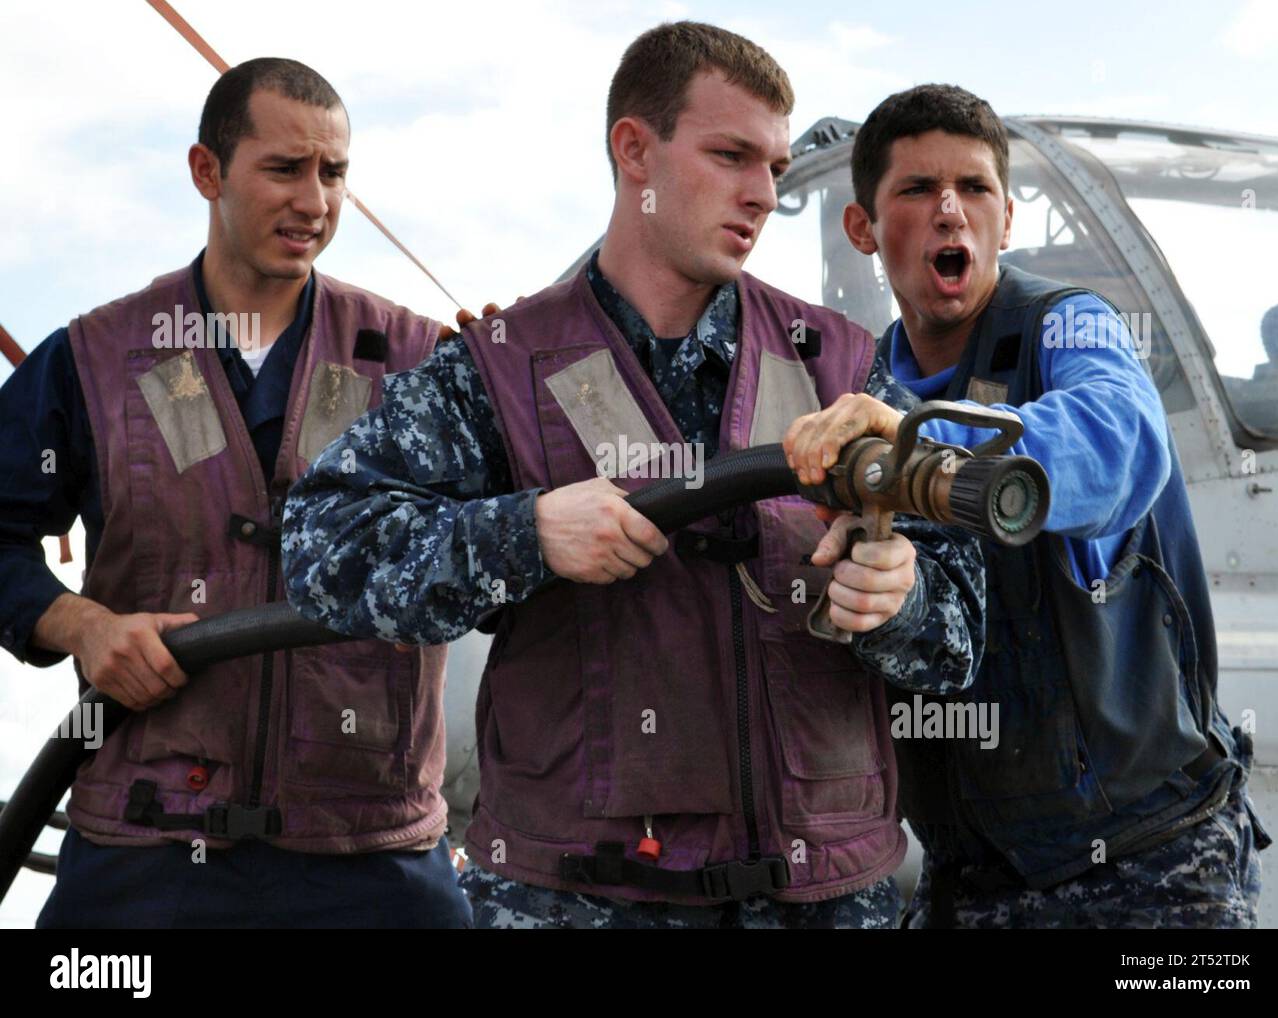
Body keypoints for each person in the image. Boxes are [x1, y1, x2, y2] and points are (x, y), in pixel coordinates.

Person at [282, 22, 984, 929]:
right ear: (634, 151)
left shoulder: (842, 365)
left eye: (774, 166)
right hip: (576, 902)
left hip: (825, 902)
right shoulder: (500, 371)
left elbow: (962, 635)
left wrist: (907, 600)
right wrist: (524, 534)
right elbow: (320, 546)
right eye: (731, 155)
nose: (763, 194)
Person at [0, 57, 472, 928]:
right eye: (285, 170)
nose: (315, 203)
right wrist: (83, 625)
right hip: (145, 857)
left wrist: (530, 364)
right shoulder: (93, 359)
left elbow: (560, 521)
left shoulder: (424, 361)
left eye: (333, 173)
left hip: (373, 862)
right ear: (206, 172)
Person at [786, 83, 1268, 928]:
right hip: (972, 879)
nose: (949, 212)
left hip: (1152, 866)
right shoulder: (859, 388)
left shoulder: (1067, 329)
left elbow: (1120, 436)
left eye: (974, 189)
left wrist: (921, 441)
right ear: (862, 229)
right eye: (916, 190)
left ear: (1006, 220)